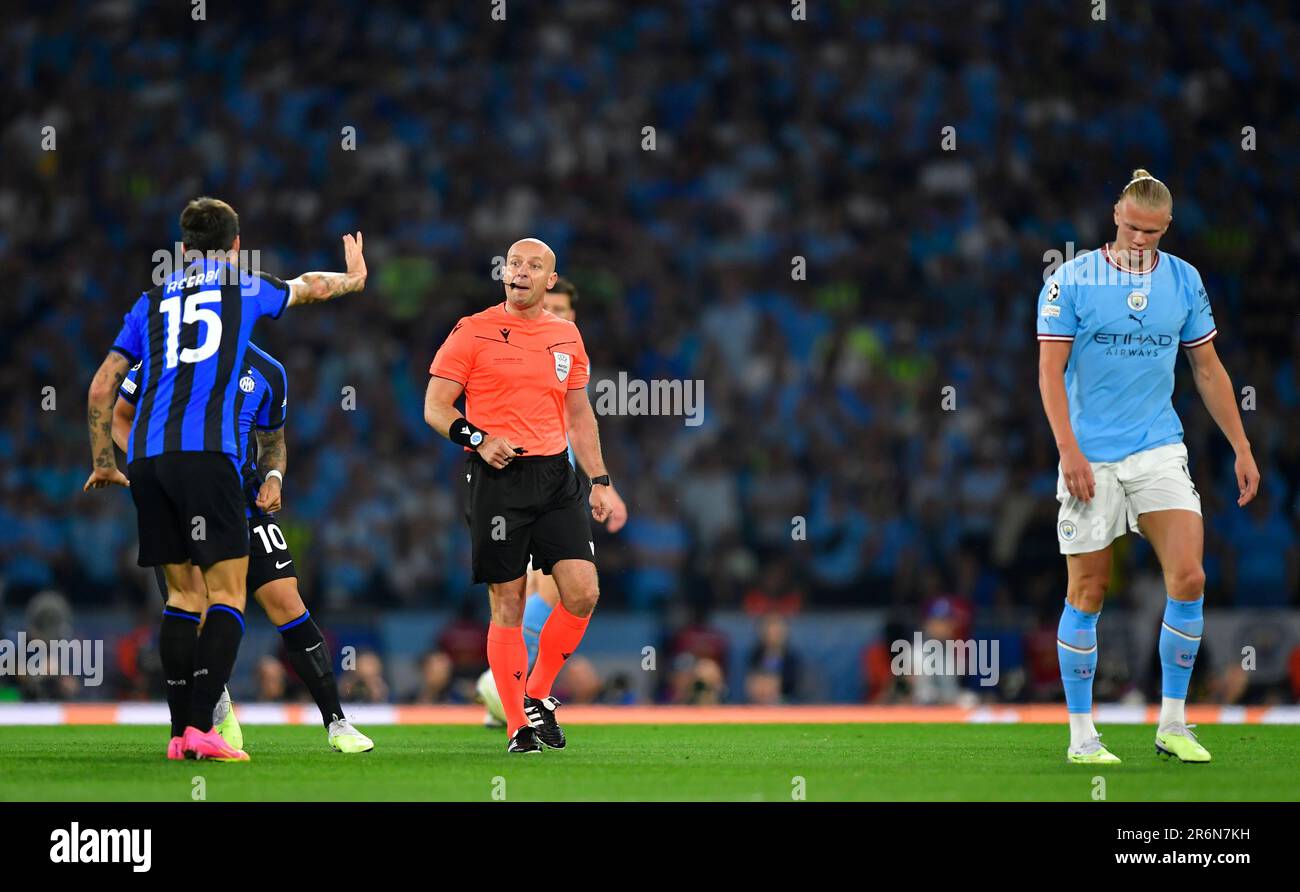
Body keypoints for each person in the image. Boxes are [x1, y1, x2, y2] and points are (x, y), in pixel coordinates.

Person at [83, 196, 367, 761]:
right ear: (237, 246)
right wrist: (354, 278)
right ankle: (202, 728)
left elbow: (99, 388)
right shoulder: (246, 288)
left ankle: (180, 734)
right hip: (210, 464)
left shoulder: (151, 301)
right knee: (229, 596)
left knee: (184, 598)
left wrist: (104, 463)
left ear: (183, 249)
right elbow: (310, 285)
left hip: (150, 465)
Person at [1037, 169, 1260, 764]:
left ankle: (1173, 724)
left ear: (1167, 227)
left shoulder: (1184, 281)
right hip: (1090, 454)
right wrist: (1068, 449)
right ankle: (1083, 736)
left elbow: (1207, 369)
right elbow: (1049, 373)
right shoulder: (1071, 281)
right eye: (1133, 227)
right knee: (1087, 591)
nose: (1141, 240)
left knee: (1189, 578)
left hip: (1158, 446)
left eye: (1153, 232)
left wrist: (1240, 445)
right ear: (1116, 214)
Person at [114, 341, 373, 753]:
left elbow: (273, 442)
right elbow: (121, 418)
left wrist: (273, 478)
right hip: (185, 510)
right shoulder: (164, 356)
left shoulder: (267, 369)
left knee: (287, 602)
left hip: (244, 505)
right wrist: (150, 469)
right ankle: (210, 714)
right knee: (194, 612)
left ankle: (337, 722)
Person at [424, 239, 613, 753]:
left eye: (534, 266)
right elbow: (436, 407)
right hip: (498, 478)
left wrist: (598, 480)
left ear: (550, 281)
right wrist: (479, 440)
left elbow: (579, 415)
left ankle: (537, 691)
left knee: (583, 591)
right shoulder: (472, 330)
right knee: (507, 601)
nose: (521, 272)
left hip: (556, 477)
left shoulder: (566, 336)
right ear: (503, 273)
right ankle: (517, 726)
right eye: (514, 264)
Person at [475, 277, 628, 727]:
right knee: (521, 594)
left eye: (563, 308)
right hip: (512, 486)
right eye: (550, 306)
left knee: (564, 590)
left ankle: (508, 692)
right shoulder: (517, 349)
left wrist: (601, 482)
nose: (555, 314)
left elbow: (578, 427)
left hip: (557, 490)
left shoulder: (567, 355)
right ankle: (508, 691)